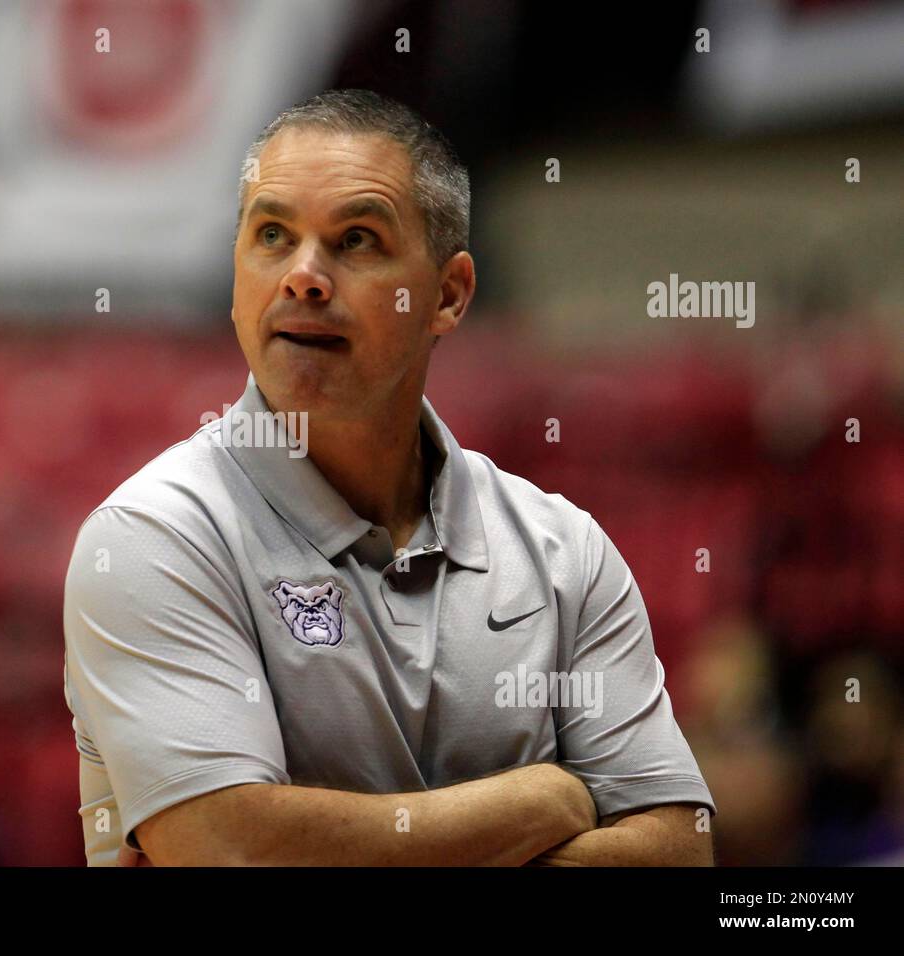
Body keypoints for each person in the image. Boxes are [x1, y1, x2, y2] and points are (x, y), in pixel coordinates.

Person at [63, 88, 715, 866]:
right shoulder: (153, 537)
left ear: (448, 294)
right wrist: (542, 800)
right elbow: (229, 849)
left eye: (357, 241)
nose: (303, 275)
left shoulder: (565, 550)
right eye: (272, 234)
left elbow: (677, 851)